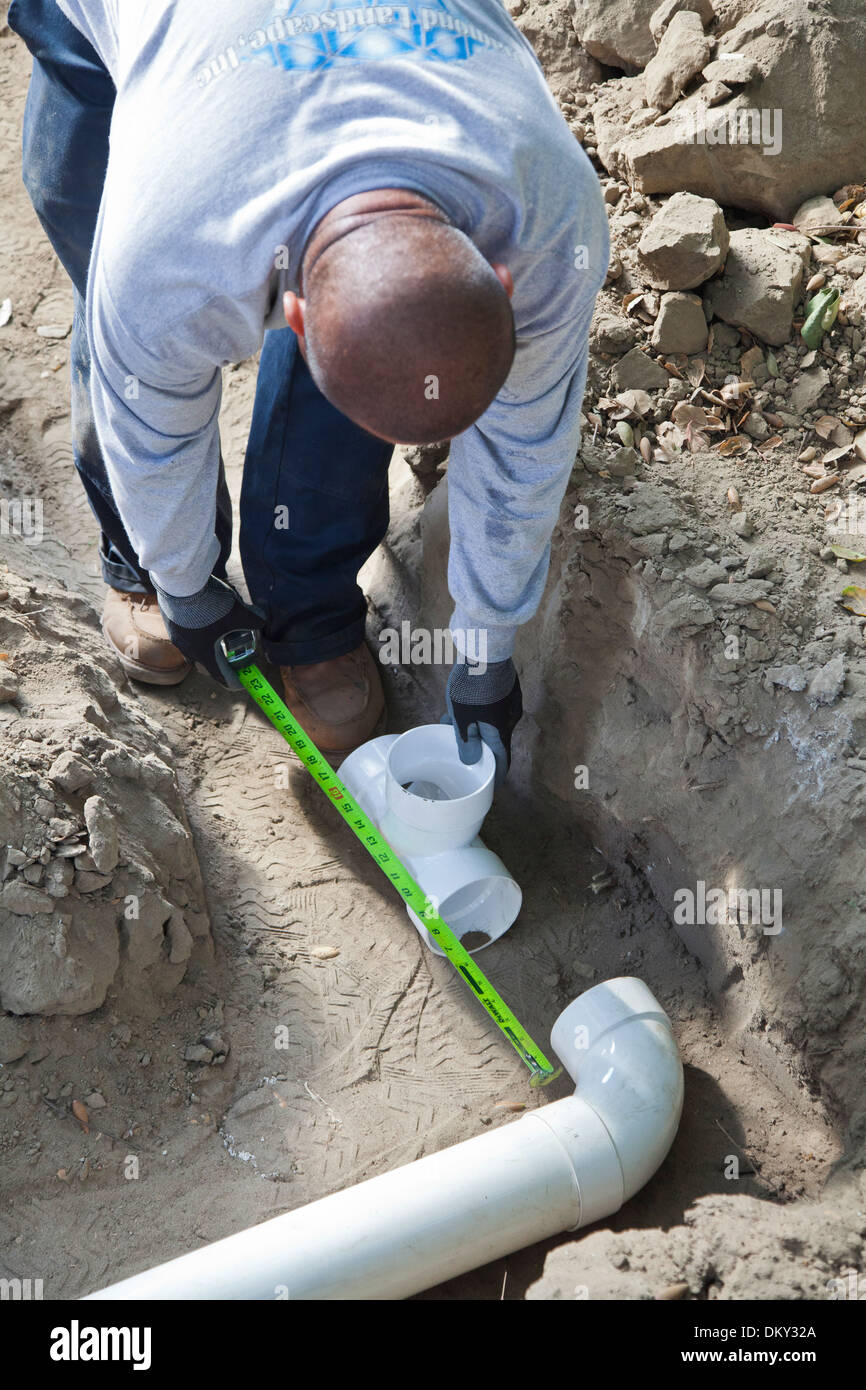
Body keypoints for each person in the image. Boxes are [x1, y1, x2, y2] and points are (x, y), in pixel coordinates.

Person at [8, 0, 608, 783]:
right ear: (289, 314)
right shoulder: (165, 251)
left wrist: (487, 655)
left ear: (500, 278)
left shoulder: (551, 220)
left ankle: (312, 620)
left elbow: (526, 447)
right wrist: (183, 584)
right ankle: (136, 563)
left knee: (380, 357)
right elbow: (146, 411)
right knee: (98, 258)